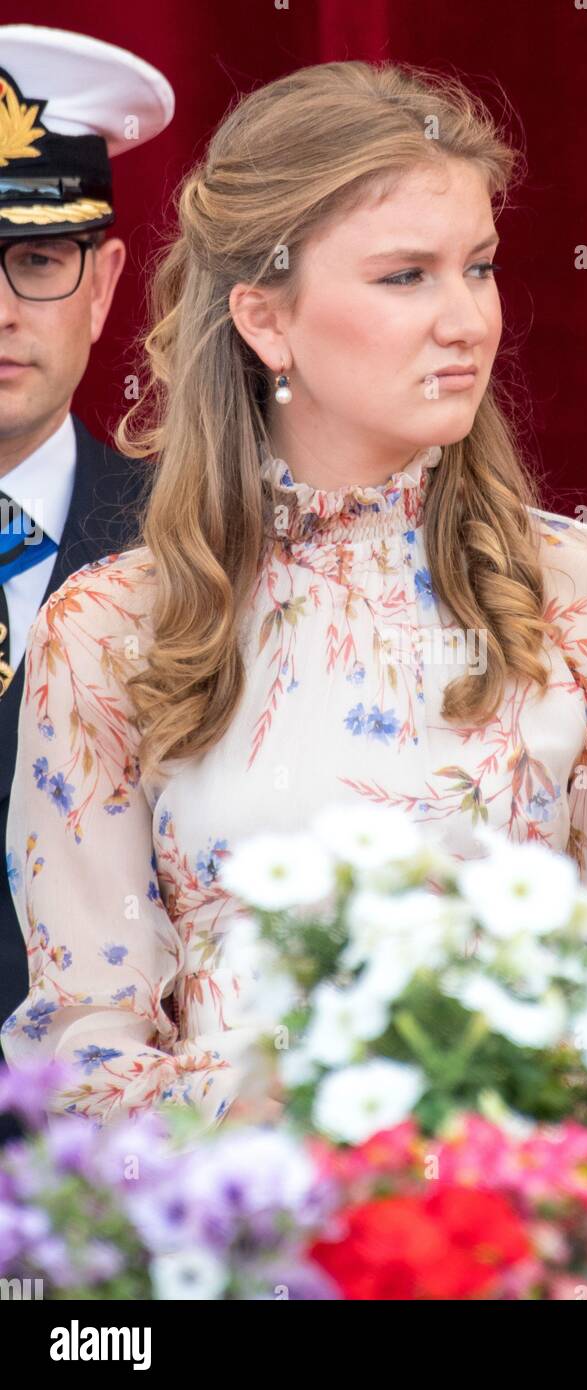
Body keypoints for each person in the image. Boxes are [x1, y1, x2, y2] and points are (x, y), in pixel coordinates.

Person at [1, 59, 587, 1130]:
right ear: (266, 320)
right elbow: (76, 1057)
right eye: (404, 277)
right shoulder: (109, 629)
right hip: (241, 1249)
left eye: (476, 268)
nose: (465, 320)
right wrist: (291, 1104)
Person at [0, 26, 174, 1143]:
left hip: (116, 1193)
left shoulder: (210, 554)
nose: (0, 308)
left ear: (104, 283)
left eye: (34, 258)